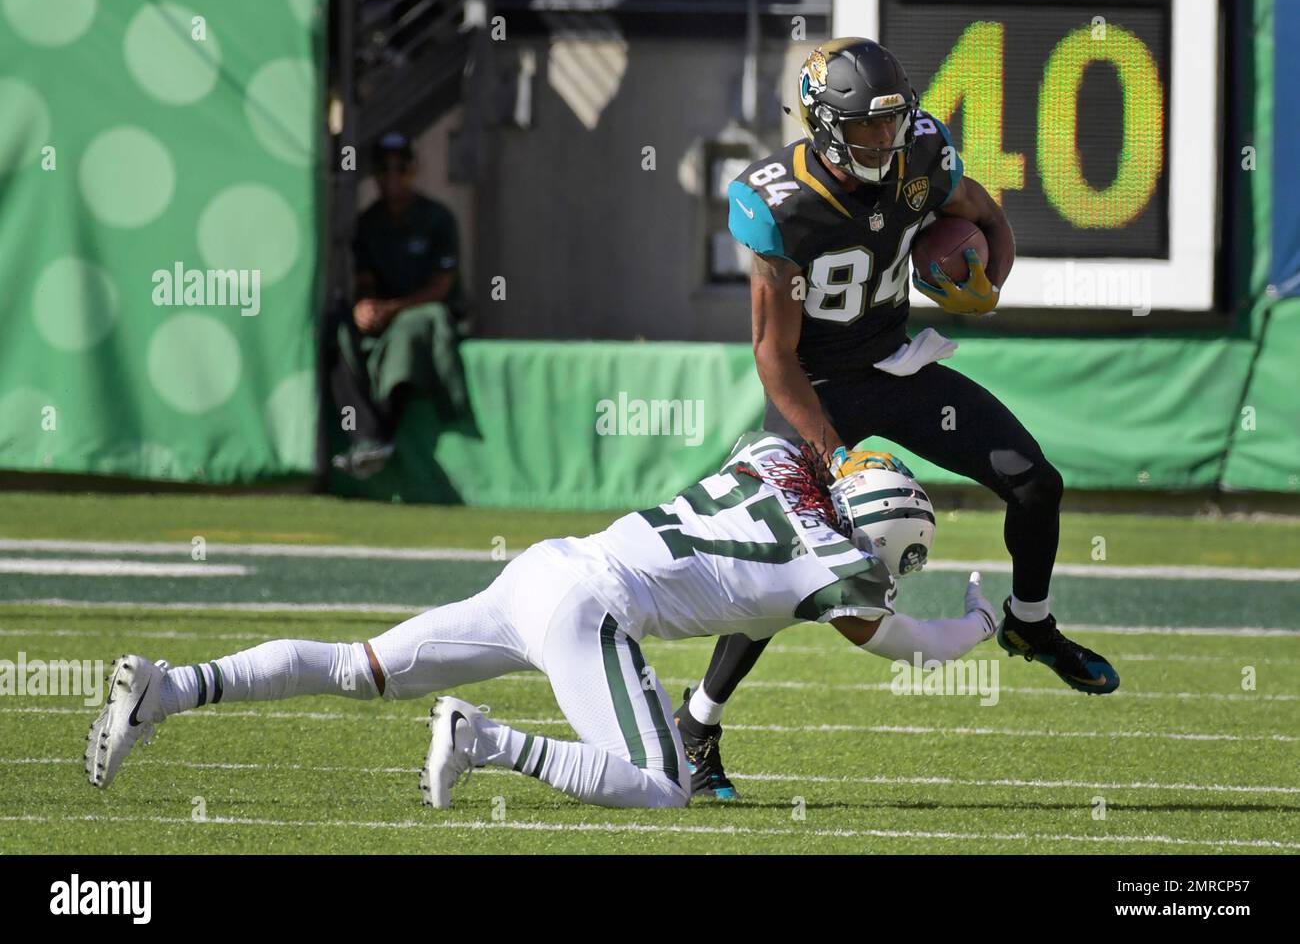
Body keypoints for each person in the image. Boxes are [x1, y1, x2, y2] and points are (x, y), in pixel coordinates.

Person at [85, 432, 996, 810]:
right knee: (664, 784)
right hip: (592, 609)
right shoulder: (838, 569)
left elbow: (759, 582)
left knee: (361, 665)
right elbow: (915, 647)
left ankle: (171, 688)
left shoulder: (774, 459)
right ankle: (483, 740)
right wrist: (979, 625)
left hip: (545, 567)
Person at [678, 37, 1119, 800]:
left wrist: (990, 282)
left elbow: (988, 216)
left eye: (891, 122)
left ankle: (1030, 623)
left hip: (894, 365)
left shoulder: (921, 155)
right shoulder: (781, 204)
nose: (884, 139)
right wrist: (833, 453)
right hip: (816, 390)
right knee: (789, 564)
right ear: (823, 127)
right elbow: (774, 356)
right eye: (866, 127)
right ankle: (697, 723)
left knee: (1034, 482)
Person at [330, 131, 468, 479]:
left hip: (425, 314)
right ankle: (364, 436)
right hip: (385, 317)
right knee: (336, 324)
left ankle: (381, 434)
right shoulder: (368, 223)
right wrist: (365, 307)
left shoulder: (438, 218)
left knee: (410, 332)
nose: (392, 177)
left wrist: (393, 308)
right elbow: (365, 282)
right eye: (384, 168)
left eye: (401, 168)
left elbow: (441, 287)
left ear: (413, 170)